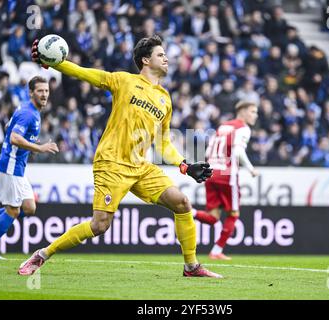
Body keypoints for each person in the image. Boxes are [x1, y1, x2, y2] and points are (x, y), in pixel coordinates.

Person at [18, 35, 221, 278]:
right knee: (99, 225)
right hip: (112, 163)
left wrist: (185, 165)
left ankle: (192, 267)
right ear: (146, 60)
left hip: (140, 166)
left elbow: (163, 143)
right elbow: (84, 73)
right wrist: (54, 63)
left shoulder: (165, 99)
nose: (166, 58)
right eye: (160, 54)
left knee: (182, 203)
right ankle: (42, 254)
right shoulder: (123, 80)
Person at [0, 76, 59, 259]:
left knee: (29, 207)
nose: (44, 94)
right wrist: (40, 148)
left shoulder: (30, 110)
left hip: (16, 167)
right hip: (10, 167)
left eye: (46, 91)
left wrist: (28, 146)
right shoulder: (29, 113)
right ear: (31, 92)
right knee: (13, 210)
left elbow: (9, 127)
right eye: (40, 91)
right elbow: (14, 138)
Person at [192, 101, 259, 260]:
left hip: (211, 173)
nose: (255, 115)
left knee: (213, 217)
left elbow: (208, 150)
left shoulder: (222, 127)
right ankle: (216, 251)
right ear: (242, 111)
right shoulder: (243, 128)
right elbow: (237, 151)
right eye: (252, 111)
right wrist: (250, 169)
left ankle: (190, 211)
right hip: (227, 175)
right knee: (234, 213)